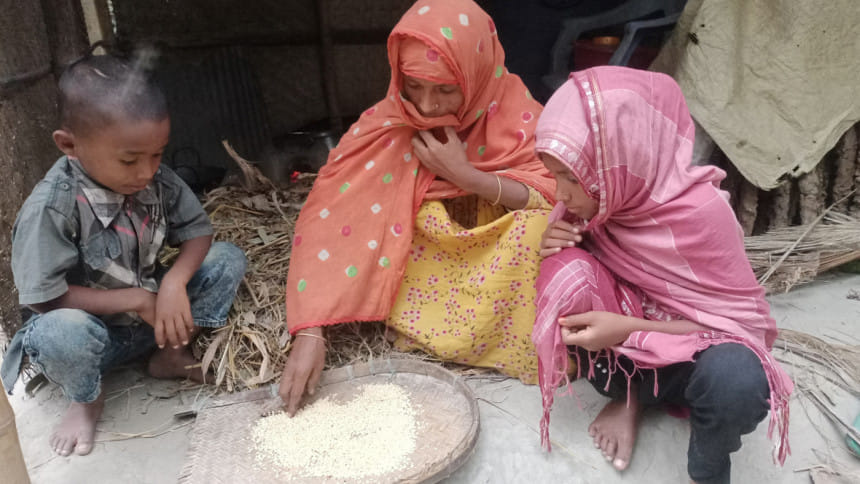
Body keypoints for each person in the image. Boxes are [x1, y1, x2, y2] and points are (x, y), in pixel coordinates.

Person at [279, 0, 557, 414]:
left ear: (476, 71)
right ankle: (431, 332)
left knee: (540, 232)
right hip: (428, 274)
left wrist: (469, 178)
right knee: (414, 219)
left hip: (492, 267)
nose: (426, 106)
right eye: (414, 85)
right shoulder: (385, 125)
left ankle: (489, 340)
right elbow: (331, 219)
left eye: (446, 89)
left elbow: (555, 195)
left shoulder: (516, 113)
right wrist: (311, 330)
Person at [531, 66, 792, 483]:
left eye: (571, 178)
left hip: (689, 358)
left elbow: (741, 328)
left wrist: (625, 329)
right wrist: (554, 249)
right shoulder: (596, 206)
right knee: (566, 272)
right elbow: (582, 282)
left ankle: (707, 467)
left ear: (623, 160)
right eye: (554, 176)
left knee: (736, 382)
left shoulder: (702, 215)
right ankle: (630, 395)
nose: (560, 194)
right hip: (623, 360)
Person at [0, 53, 247, 457]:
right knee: (58, 331)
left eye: (157, 154)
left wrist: (173, 283)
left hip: (155, 322)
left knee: (226, 258)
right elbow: (43, 297)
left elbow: (199, 233)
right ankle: (86, 399)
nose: (146, 171)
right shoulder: (52, 205)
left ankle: (170, 356)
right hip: (91, 337)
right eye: (129, 159)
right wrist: (135, 299)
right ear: (70, 145)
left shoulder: (156, 179)